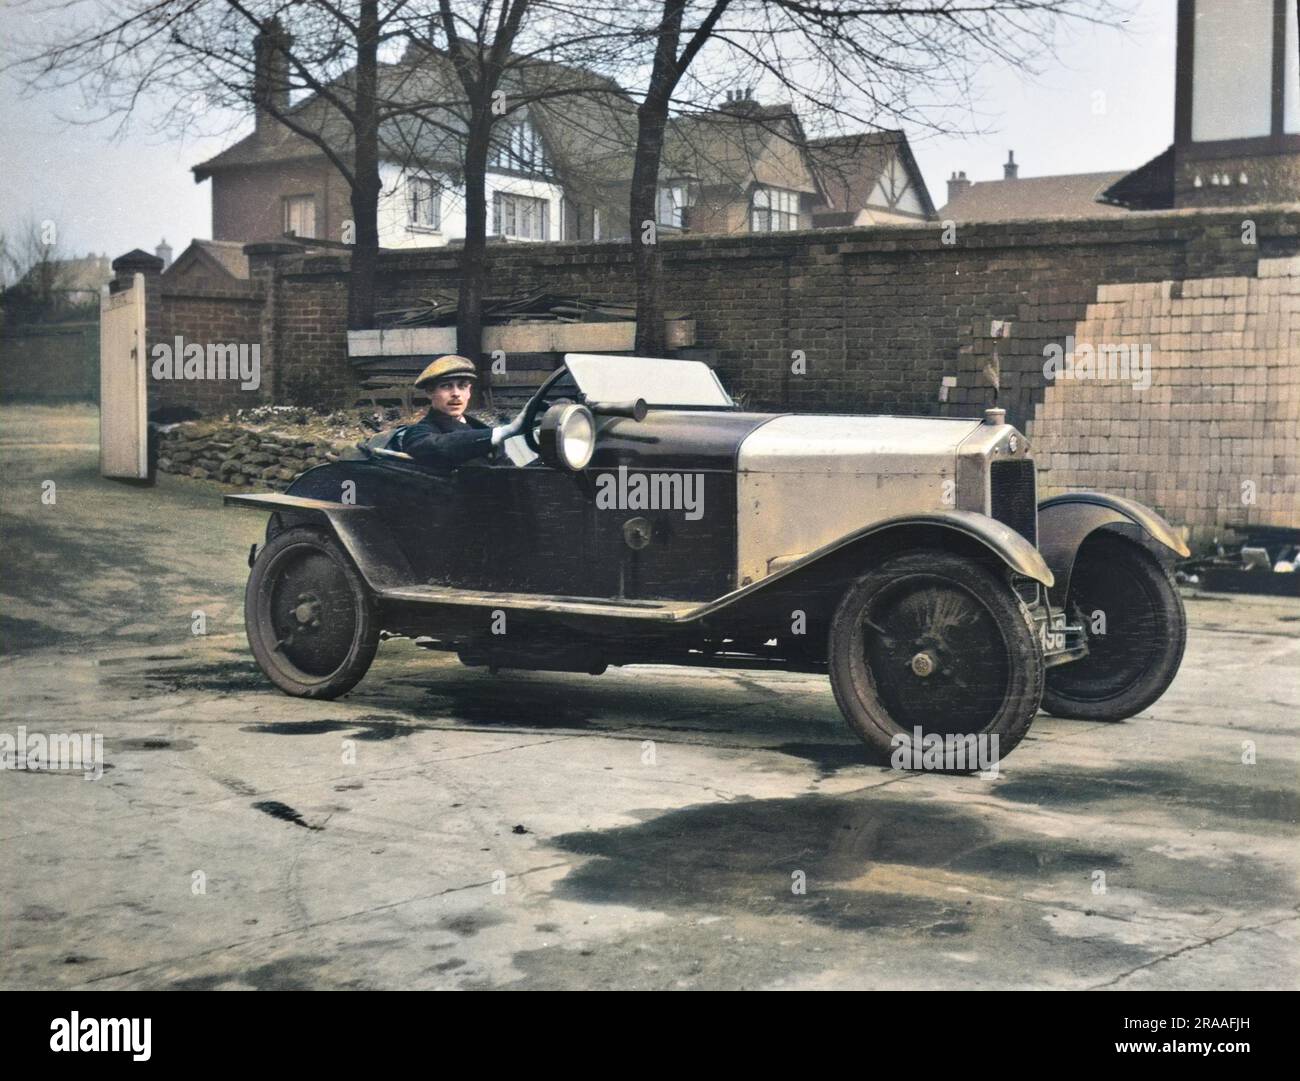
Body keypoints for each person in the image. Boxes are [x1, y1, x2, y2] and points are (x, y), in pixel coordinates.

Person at [396, 355, 524, 468]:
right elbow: (436, 446)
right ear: (430, 392)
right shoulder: (420, 431)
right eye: (446, 386)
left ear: (469, 392)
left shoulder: (477, 427)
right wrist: (503, 432)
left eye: (462, 386)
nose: (456, 394)